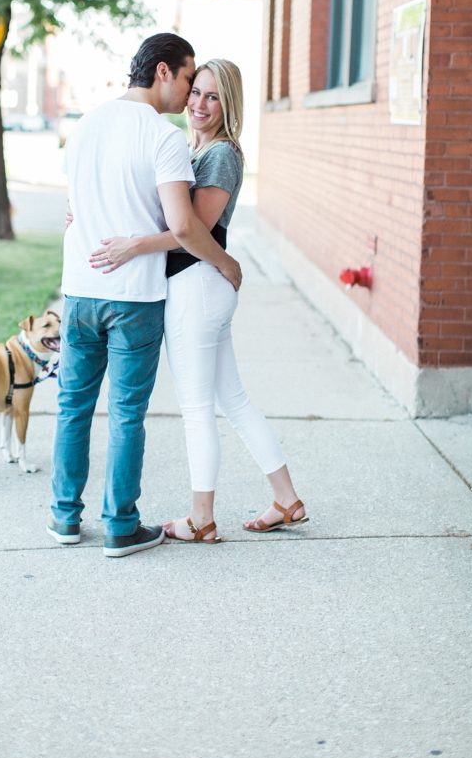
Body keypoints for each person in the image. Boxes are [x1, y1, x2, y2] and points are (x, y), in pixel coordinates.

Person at [89, 59, 308, 543]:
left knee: (196, 408)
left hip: (198, 288)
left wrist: (135, 245)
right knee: (232, 399)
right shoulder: (196, 149)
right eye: (196, 93)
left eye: (212, 97)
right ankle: (287, 499)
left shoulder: (221, 155)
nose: (199, 104)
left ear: (228, 104)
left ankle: (201, 518)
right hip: (202, 288)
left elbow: (193, 232)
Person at [48, 34, 242, 559]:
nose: (188, 94)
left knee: (72, 407)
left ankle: (64, 519)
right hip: (134, 296)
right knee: (127, 413)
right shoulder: (164, 137)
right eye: (186, 78)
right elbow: (183, 224)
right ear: (163, 71)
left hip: (79, 290)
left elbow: (75, 207)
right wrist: (225, 262)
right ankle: (120, 526)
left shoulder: (85, 125)